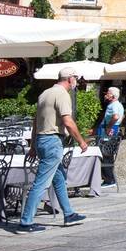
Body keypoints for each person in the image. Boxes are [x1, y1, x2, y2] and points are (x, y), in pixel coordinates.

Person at [19, 69, 89, 232]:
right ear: (70, 79)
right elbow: (68, 121)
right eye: (75, 79)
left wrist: (33, 146)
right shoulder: (63, 94)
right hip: (52, 141)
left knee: (58, 179)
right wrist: (81, 141)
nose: (76, 82)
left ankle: (69, 214)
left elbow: (36, 122)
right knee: (41, 183)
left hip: (42, 140)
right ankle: (26, 221)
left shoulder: (45, 93)